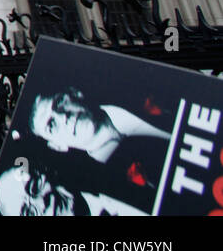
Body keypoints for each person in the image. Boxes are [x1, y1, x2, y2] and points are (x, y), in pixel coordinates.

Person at [28, 85, 171, 206]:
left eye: (59, 102)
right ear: (58, 146)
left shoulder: (140, 91)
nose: (63, 117)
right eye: (51, 125)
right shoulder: (107, 191)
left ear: (74, 93)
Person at [0, 163, 147, 216]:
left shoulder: (114, 173)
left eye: (34, 186)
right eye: (29, 212)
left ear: (45, 171)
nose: (43, 202)